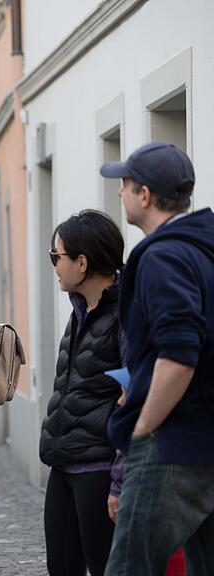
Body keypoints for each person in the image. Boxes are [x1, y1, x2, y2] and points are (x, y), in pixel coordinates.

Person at [99, 142, 214, 575]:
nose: (119, 192)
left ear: (144, 195)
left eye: (125, 185)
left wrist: (143, 428)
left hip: (171, 442)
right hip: (203, 436)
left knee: (130, 567)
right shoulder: (203, 247)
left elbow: (179, 354)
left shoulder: (163, 256)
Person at [39, 210, 124, 576]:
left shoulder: (126, 316)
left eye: (56, 256)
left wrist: (119, 480)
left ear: (82, 262)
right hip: (63, 464)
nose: (55, 266)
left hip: (99, 471)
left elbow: (134, 400)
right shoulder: (79, 312)